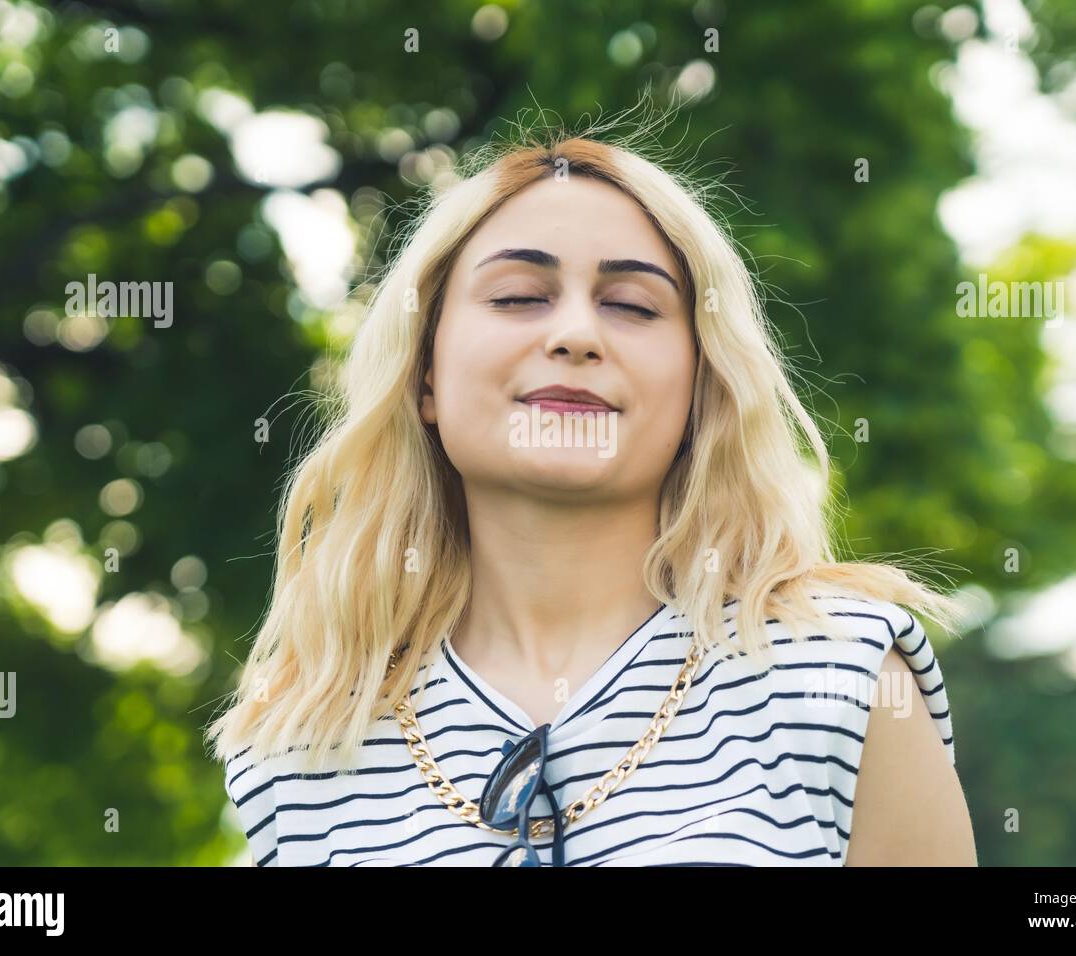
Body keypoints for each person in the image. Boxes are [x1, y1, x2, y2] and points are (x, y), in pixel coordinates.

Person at [207, 122, 977, 867]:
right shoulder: (294, 754)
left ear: (699, 388)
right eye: (516, 296)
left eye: (634, 306)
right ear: (426, 376)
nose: (576, 333)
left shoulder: (843, 674)